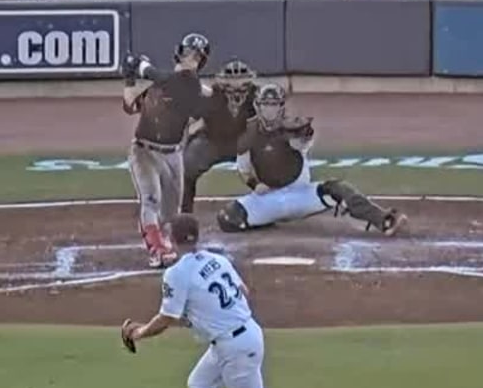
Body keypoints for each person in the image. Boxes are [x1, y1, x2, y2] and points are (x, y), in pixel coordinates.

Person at [119, 213, 293, 388]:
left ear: (171, 239)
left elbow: (166, 318)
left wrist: (138, 333)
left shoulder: (176, 273)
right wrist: (201, 315)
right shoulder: (217, 259)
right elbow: (242, 291)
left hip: (234, 347)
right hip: (243, 335)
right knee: (198, 385)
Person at [215, 81, 408, 236]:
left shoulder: (294, 129)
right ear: (258, 106)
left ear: (281, 107)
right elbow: (243, 166)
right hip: (268, 198)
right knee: (227, 218)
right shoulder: (248, 132)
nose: (270, 110)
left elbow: (303, 142)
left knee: (338, 188)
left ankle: (383, 219)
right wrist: (254, 184)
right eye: (266, 105)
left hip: (300, 194)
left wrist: (301, 137)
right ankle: (266, 220)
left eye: (274, 105)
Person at [120, 33, 212, 267]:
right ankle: (156, 249)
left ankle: (161, 237)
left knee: (171, 213)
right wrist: (129, 79)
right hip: (144, 152)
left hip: (173, 155)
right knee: (151, 199)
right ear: (179, 52)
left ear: (201, 62)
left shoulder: (191, 85)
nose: (191, 57)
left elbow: (164, 78)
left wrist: (140, 65)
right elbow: (129, 105)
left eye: (197, 55)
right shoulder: (160, 86)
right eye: (189, 52)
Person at [180, 58, 258, 215]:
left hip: (244, 143)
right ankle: (184, 213)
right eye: (231, 87)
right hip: (212, 141)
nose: (236, 93)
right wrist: (179, 149)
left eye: (242, 87)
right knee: (187, 164)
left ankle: (270, 204)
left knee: (268, 160)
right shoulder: (211, 97)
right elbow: (186, 122)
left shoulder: (258, 97)